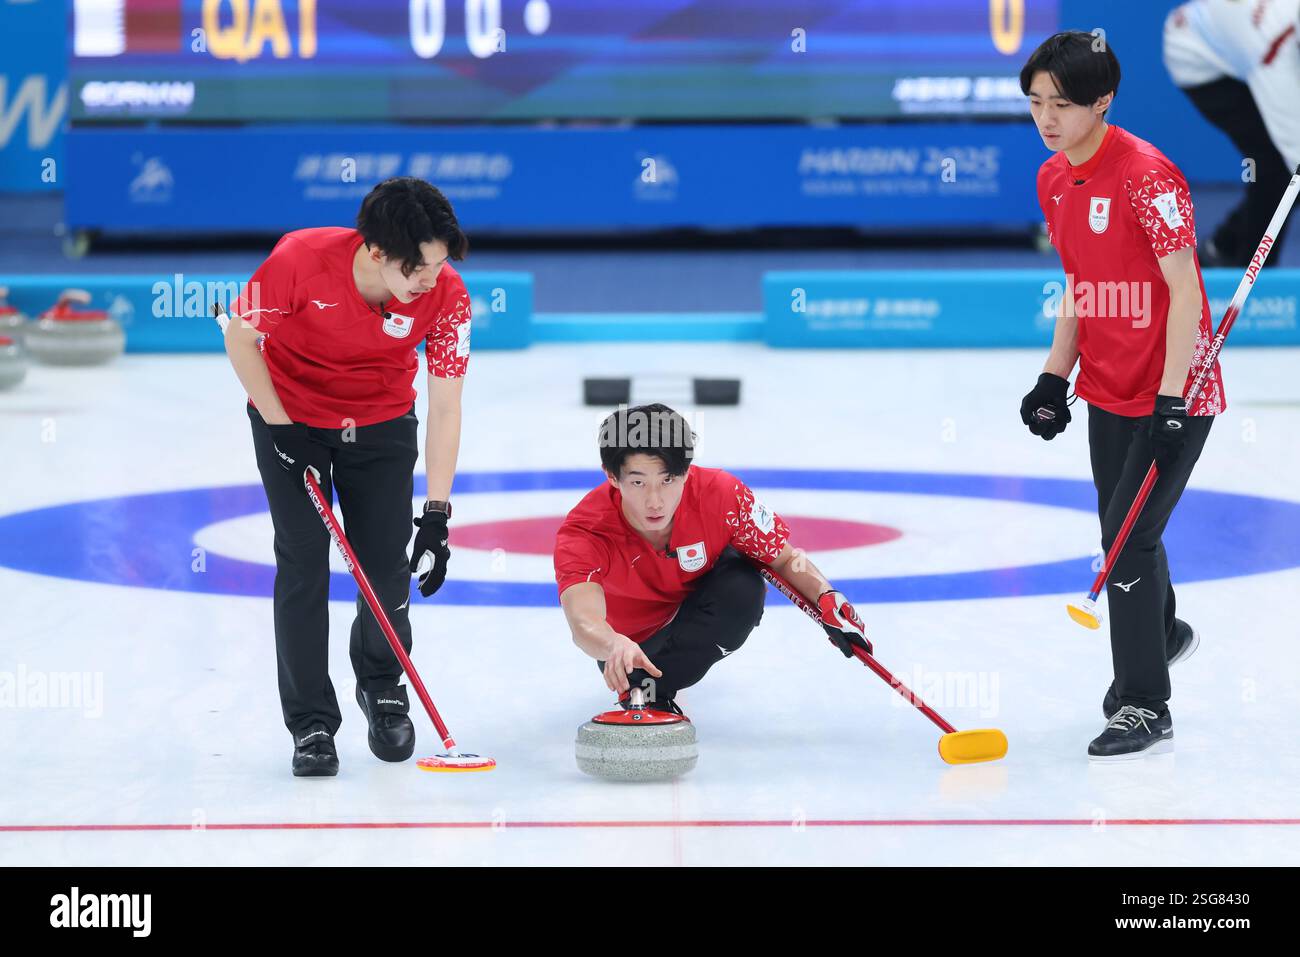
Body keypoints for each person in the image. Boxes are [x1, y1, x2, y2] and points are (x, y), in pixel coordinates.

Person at [223, 177, 472, 776]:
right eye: (420, 269)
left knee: (385, 562)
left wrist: (437, 514)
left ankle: (382, 684)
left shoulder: (447, 296)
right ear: (377, 252)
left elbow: (445, 404)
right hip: (291, 415)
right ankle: (311, 722)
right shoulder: (299, 261)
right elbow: (239, 336)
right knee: (304, 561)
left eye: (438, 267)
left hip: (382, 420)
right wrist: (282, 430)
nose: (430, 281)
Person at [1018, 32, 1222, 760]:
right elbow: (1079, 282)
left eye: (1062, 104)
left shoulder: (1147, 176)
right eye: (1036, 101)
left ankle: (1143, 702)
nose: (1046, 117)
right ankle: (1160, 633)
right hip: (1106, 388)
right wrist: (1054, 374)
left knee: (1127, 542)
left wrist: (1172, 399)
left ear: (1102, 102)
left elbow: (1185, 294)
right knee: (1123, 533)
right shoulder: (1052, 177)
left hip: (1174, 390)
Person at [554, 403, 872, 715]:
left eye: (668, 480)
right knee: (632, 652)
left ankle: (654, 689)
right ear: (612, 476)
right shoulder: (586, 531)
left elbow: (784, 559)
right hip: (636, 645)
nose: (655, 501)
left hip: (702, 606)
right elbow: (584, 621)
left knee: (743, 585)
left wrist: (826, 596)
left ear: (687, 471)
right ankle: (642, 685)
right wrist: (612, 644)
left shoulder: (723, 496)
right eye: (638, 482)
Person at [1164, 0, 1299, 266]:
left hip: (1238, 38)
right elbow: (1296, 158)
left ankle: (1221, 247)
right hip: (1194, 56)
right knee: (1274, 168)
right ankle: (1255, 280)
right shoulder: (1274, 52)